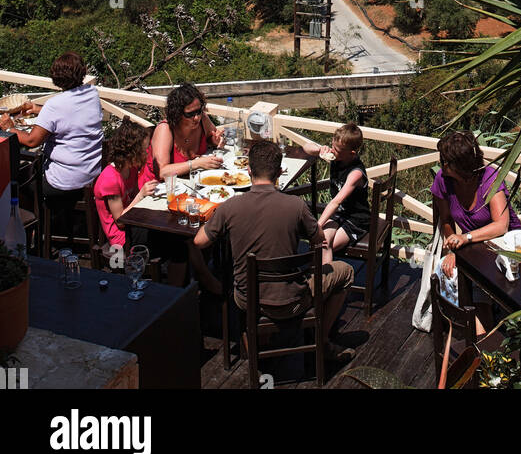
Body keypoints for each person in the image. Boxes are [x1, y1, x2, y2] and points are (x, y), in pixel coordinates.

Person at [194, 140, 355, 365]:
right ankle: (323, 341)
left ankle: (259, 335)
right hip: (292, 300)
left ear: (248, 170)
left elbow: (199, 241)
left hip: (246, 299)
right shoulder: (296, 206)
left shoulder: (230, 207)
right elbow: (319, 240)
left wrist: (218, 217)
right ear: (279, 172)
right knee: (346, 272)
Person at [0, 52, 103, 248]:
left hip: (64, 182)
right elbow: (71, 110)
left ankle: (34, 234)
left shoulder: (56, 106)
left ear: (55, 78)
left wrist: (9, 127)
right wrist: (39, 109)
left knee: (19, 180)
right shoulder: (92, 94)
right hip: (91, 173)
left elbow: (31, 141)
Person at [431, 130, 521, 282]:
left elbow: (501, 226)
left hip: (507, 246)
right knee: (448, 275)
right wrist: (453, 250)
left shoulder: (489, 178)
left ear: (459, 165)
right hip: (476, 247)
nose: (442, 164)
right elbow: (446, 219)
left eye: (444, 160)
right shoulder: (443, 180)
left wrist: (465, 237)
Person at [138, 83, 224, 186]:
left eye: (199, 111)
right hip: (157, 189)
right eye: (189, 114)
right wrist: (196, 164)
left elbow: (213, 137)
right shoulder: (165, 129)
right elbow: (162, 172)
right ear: (177, 113)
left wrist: (215, 141)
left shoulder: (202, 119)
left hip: (187, 183)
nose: (196, 117)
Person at [94, 118, 158, 252]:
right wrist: (141, 195)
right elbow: (121, 221)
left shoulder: (131, 168)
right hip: (121, 239)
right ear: (131, 151)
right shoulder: (110, 179)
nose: (147, 153)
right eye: (144, 150)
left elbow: (132, 196)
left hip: (135, 224)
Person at [316, 122, 370, 262]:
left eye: (337, 150)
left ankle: (327, 281)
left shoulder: (356, 173)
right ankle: (322, 278)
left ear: (351, 153)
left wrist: (317, 226)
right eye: (332, 146)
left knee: (325, 245)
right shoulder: (337, 157)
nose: (333, 151)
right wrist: (320, 149)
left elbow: (336, 201)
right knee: (323, 241)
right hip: (339, 214)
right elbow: (306, 148)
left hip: (356, 219)